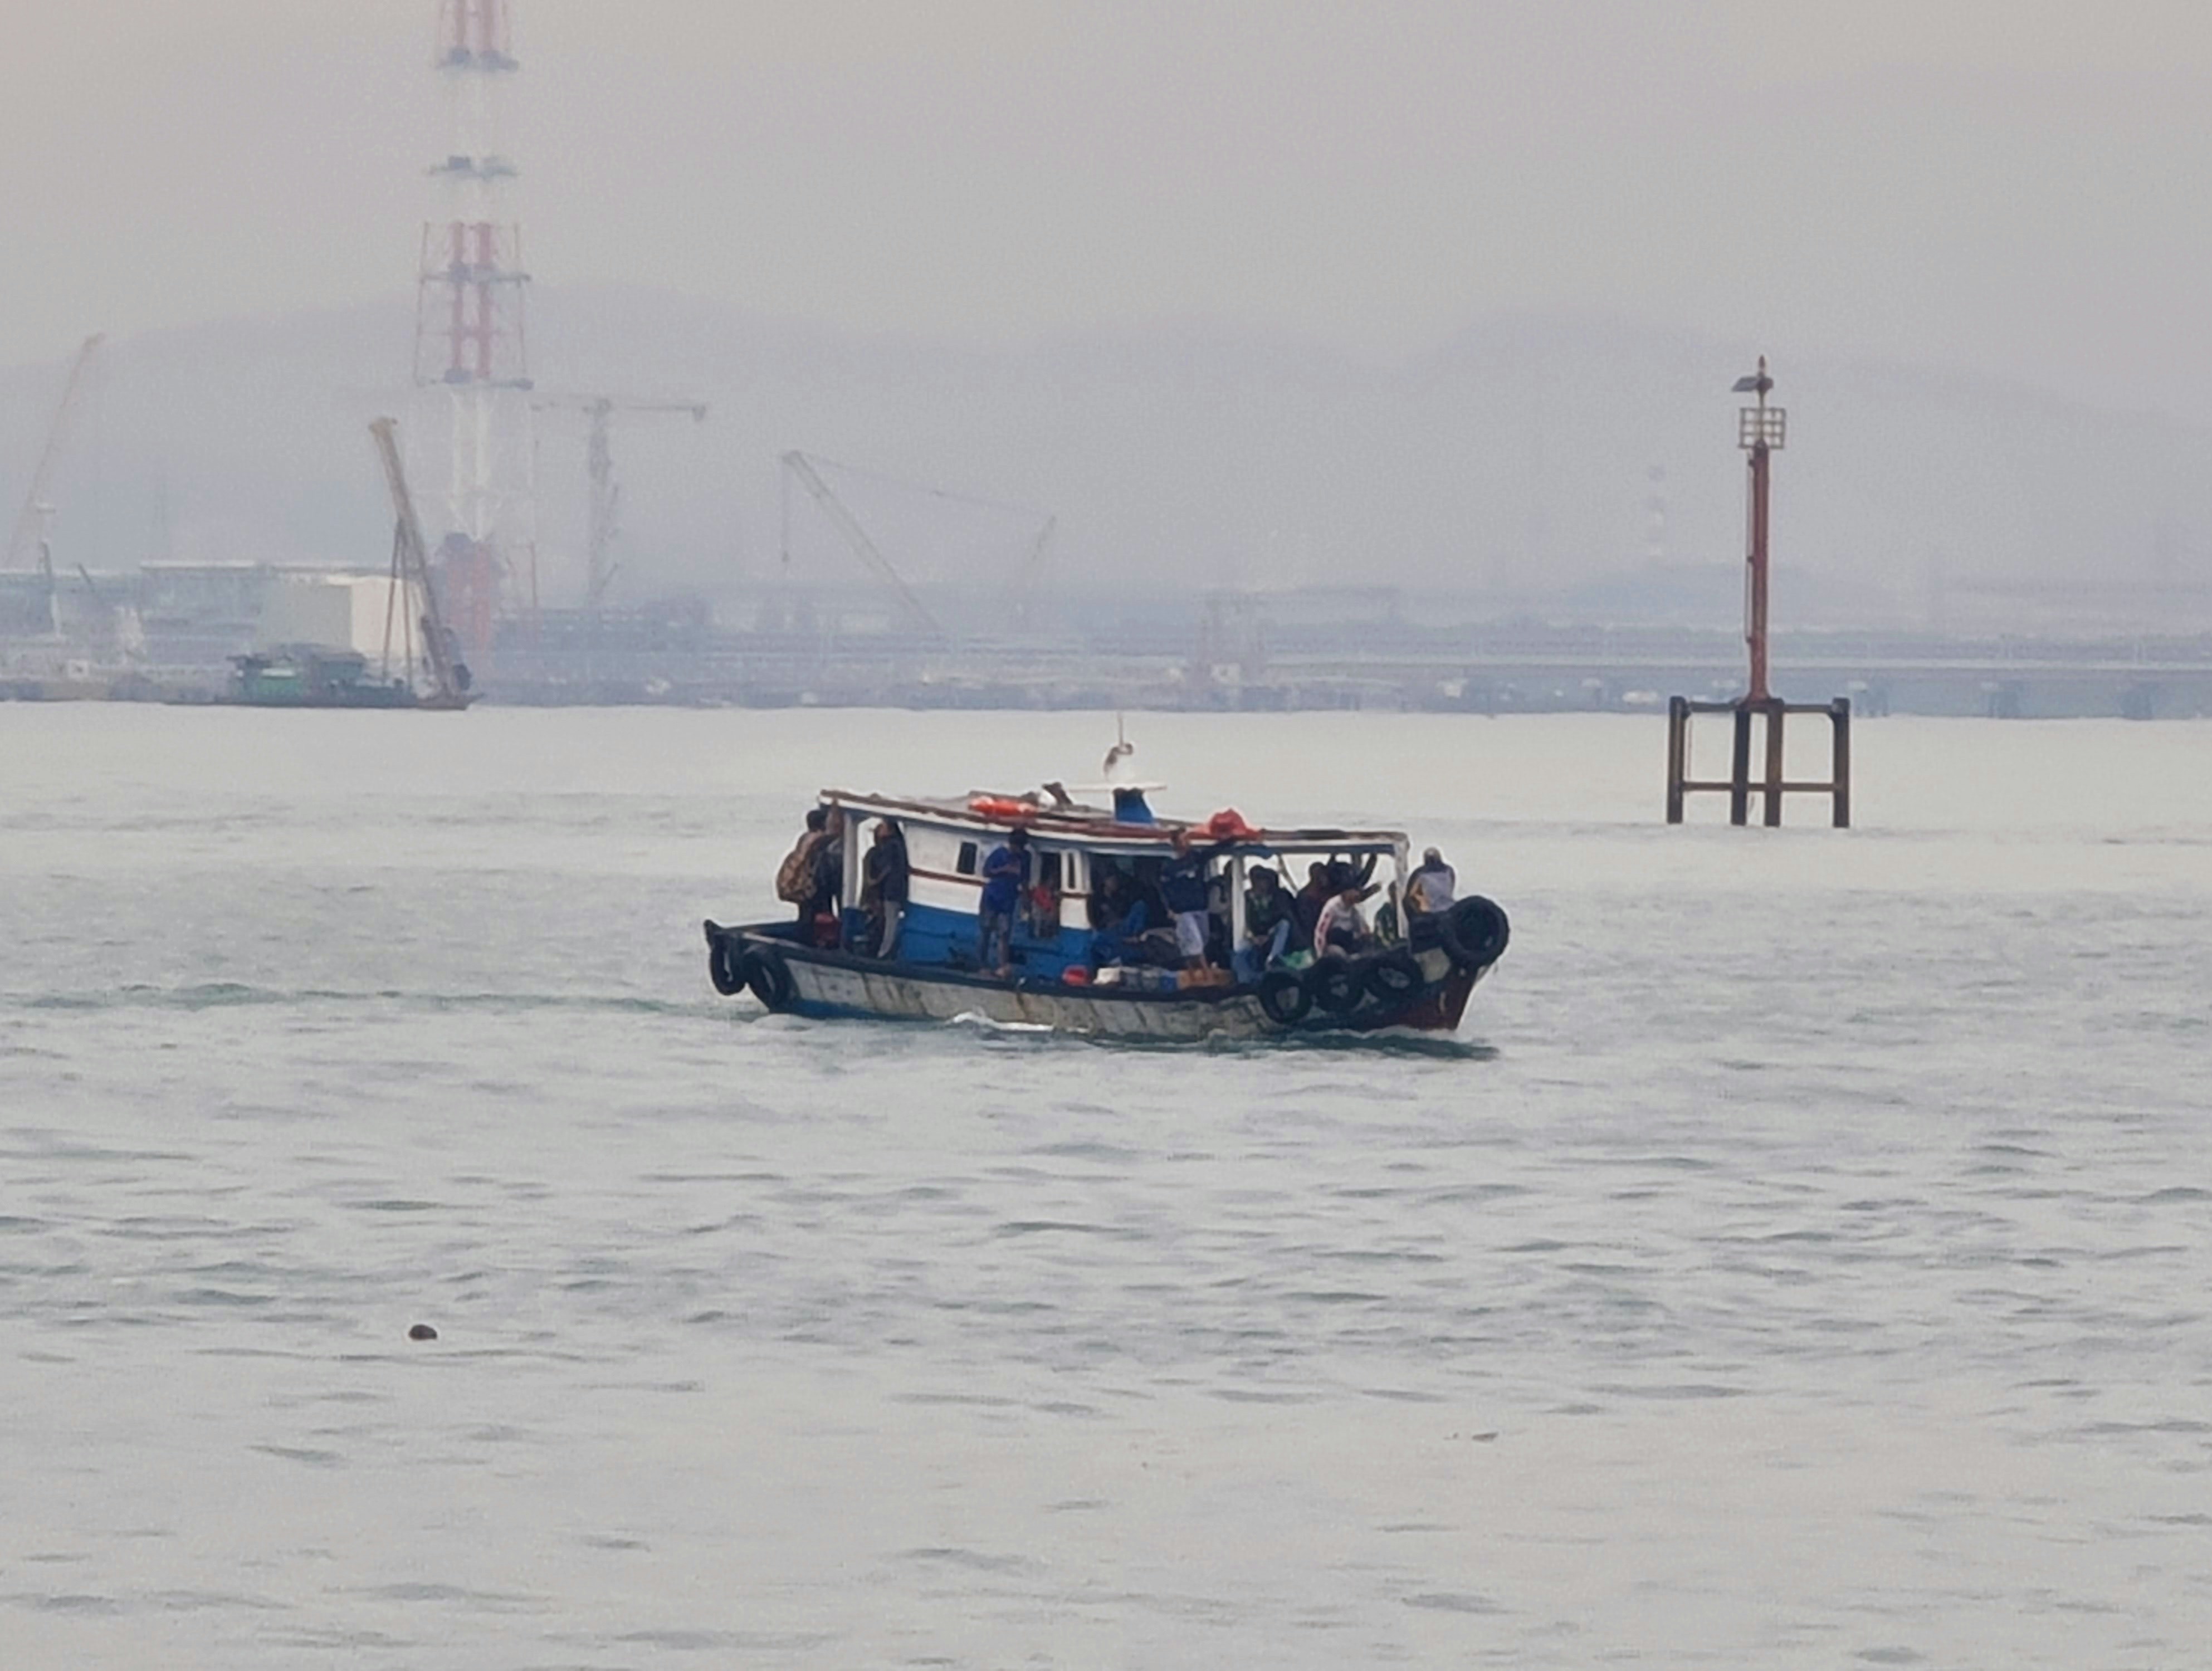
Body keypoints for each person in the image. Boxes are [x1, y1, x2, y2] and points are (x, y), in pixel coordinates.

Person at [1160, 829, 1228, 970]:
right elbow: (1165, 890)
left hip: (1200, 907)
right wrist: (1170, 909)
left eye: (1187, 839)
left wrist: (1228, 839)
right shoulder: (1169, 866)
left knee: (1204, 939)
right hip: (1183, 911)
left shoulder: (1195, 858)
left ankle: (1193, 971)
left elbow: (1212, 852)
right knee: (1195, 942)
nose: (1186, 843)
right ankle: (1204, 973)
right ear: (1175, 843)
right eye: (1182, 840)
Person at [978, 825, 1028, 976]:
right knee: (986, 931)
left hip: (1008, 899)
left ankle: (1002, 966)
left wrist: (1026, 901)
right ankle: (983, 965)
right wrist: (1004, 870)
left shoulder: (1025, 858)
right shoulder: (999, 854)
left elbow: (1025, 879)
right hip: (992, 896)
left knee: (1004, 934)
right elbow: (986, 872)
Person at [1234, 866, 1296, 983]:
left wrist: (1268, 935)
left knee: (1284, 925)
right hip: (1252, 935)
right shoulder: (1246, 897)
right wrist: (1252, 936)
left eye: (1264, 880)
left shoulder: (1278, 897)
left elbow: (1282, 916)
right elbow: (1244, 920)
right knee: (1241, 950)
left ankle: (1273, 958)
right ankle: (1245, 981)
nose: (1262, 884)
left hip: (1272, 933)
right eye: (1257, 880)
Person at [861, 819, 910, 958]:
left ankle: (884, 952)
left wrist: (875, 881)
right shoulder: (900, 845)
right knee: (890, 921)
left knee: (890, 923)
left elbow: (887, 867)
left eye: (882, 827)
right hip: (897, 889)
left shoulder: (891, 846)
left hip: (892, 890)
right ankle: (885, 950)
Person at [775, 807, 831, 925]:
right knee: (815, 917)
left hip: (803, 886)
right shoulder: (819, 841)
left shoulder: (805, 839)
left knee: (807, 916)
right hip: (811, 887)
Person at [1314, 885, 1374, 959]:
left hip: (1351, 945)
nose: (1356, 895)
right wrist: (1321, 955)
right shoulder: (1332, 906)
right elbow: (1321, 932)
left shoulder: (1355, 909)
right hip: (1335, 946)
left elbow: (1363, 929)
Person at [1408, 847, 1456, 918]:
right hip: (1450, 907)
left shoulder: (1420, 873)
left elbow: (1411, 893)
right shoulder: (1449, 870)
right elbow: (1451, 886)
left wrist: (1421, 900)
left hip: (1430, 910)